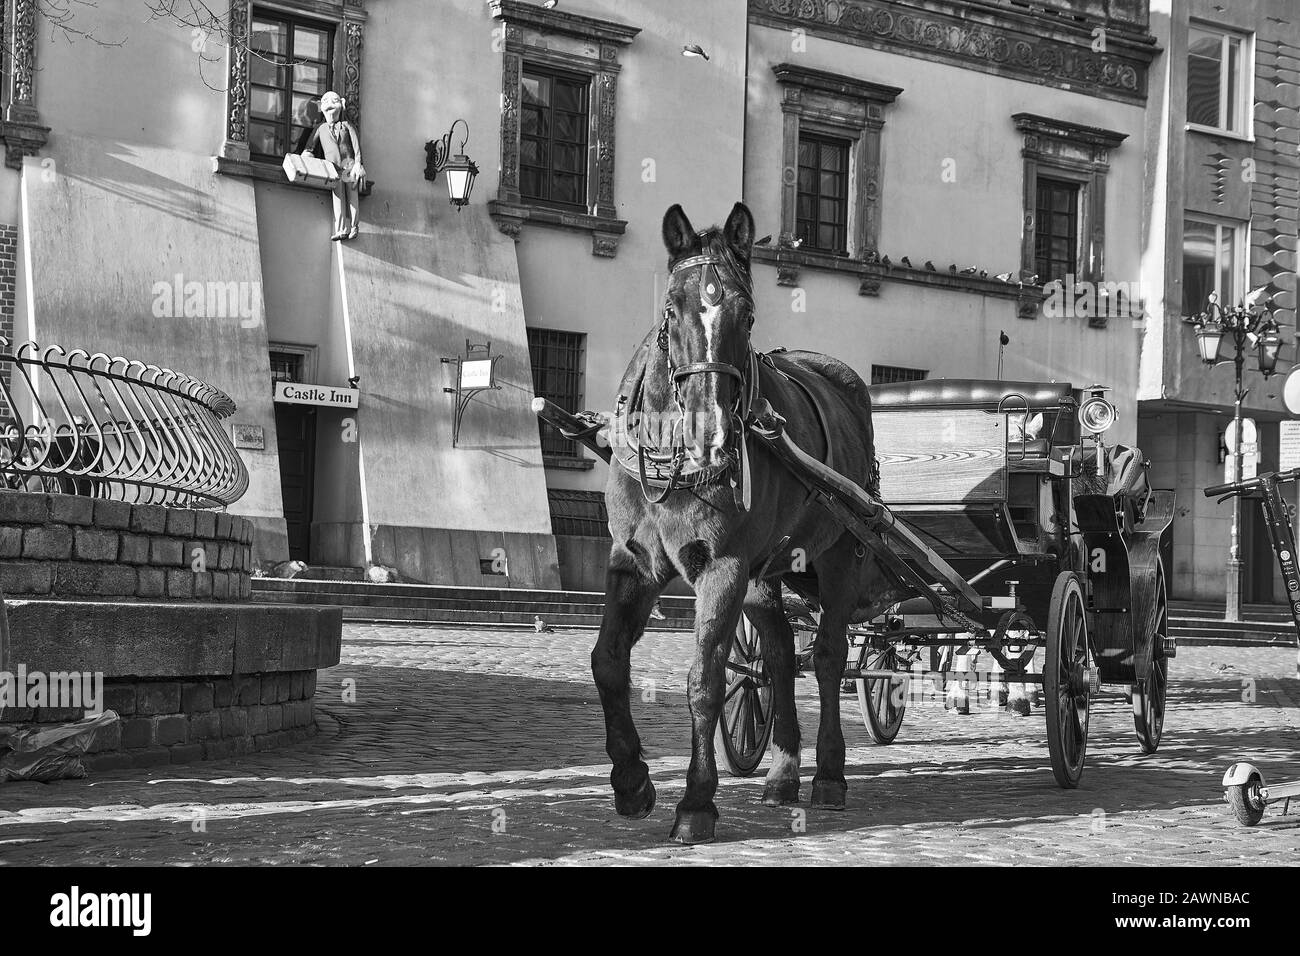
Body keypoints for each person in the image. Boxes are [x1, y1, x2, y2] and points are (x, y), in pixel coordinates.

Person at [300, 91, 365, 241]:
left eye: (334, 100)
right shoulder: (320, 128)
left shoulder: (347, 126)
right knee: (338, 197)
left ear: (341, 104)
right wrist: (305, 158)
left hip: (348, 165)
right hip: (332, 167)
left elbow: (356, 147)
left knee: (352, 196)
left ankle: (354, 227)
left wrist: (358, 164)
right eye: (325, 101)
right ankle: (341, 229)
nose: (329, 104)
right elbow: (310, 147)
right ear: (321, 107)